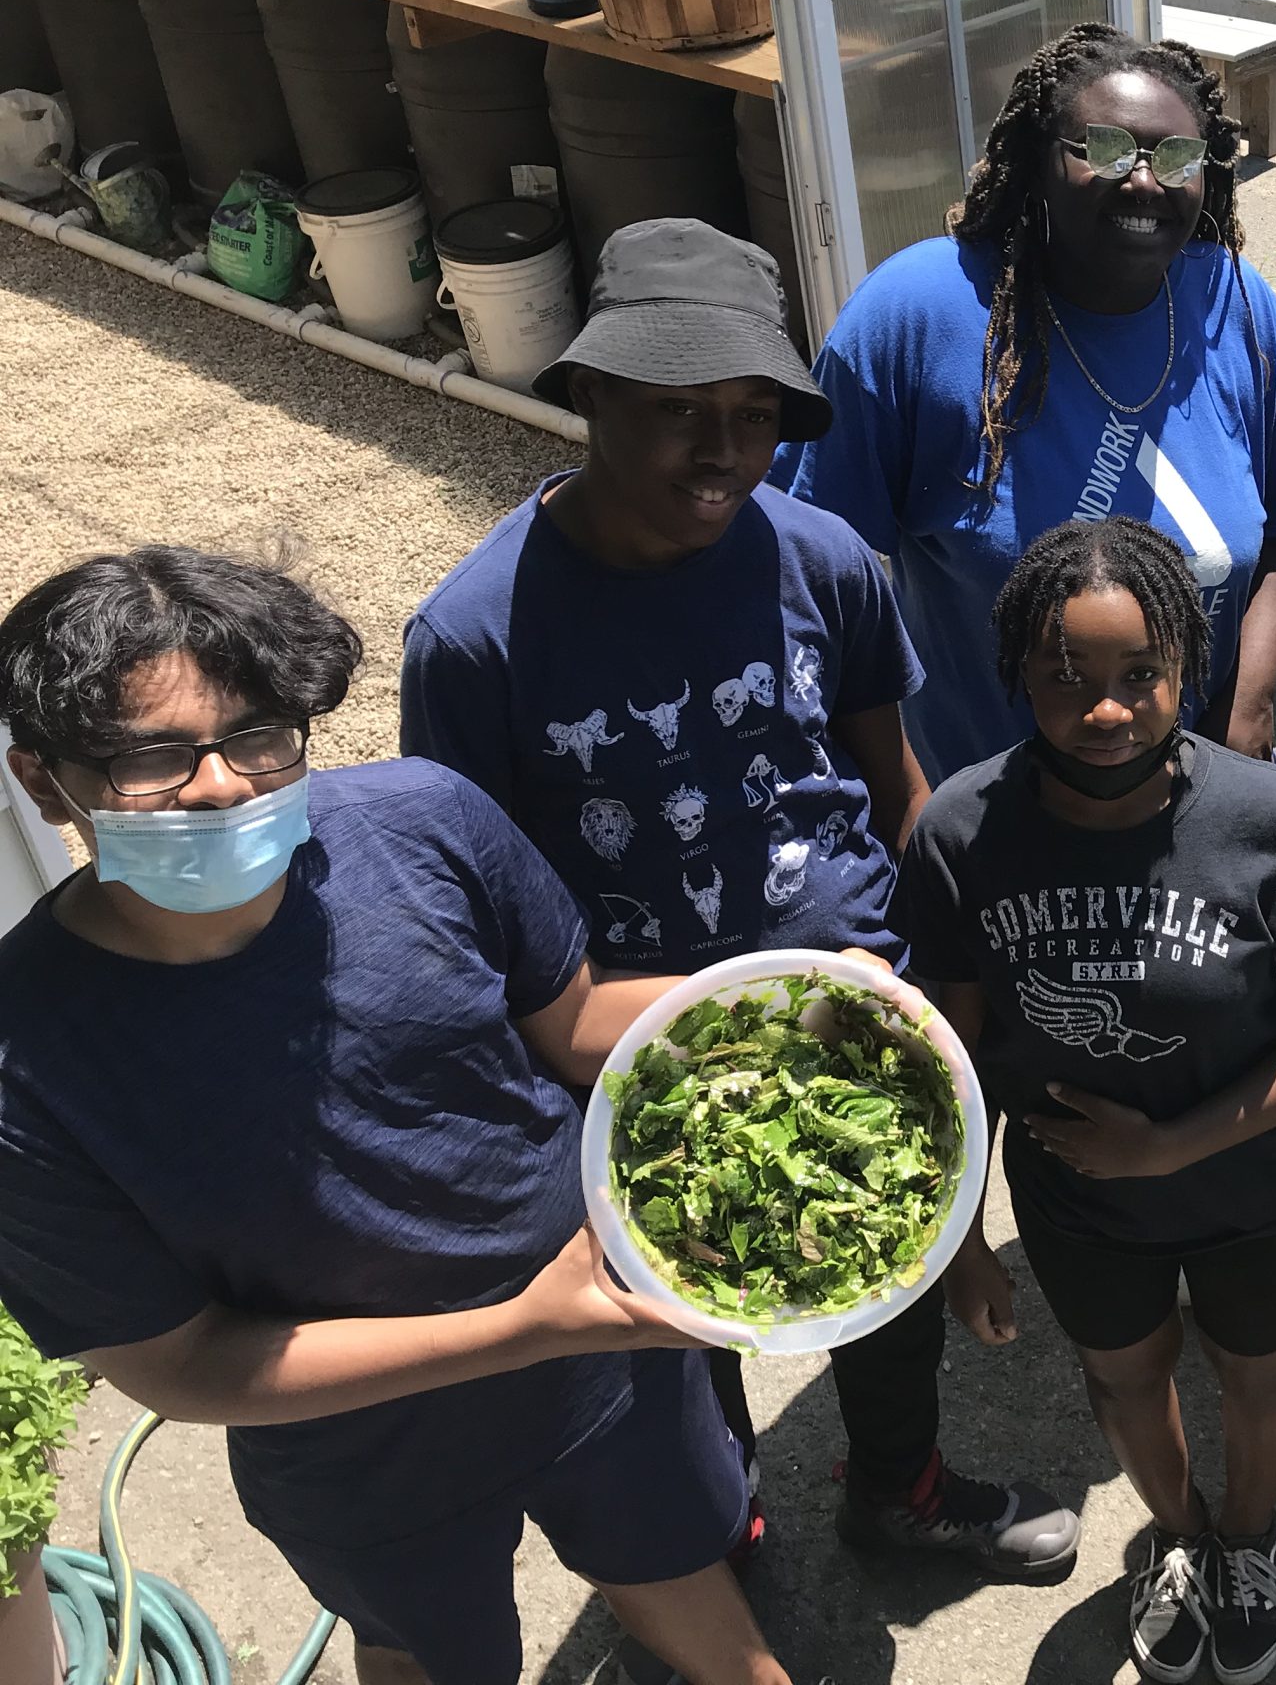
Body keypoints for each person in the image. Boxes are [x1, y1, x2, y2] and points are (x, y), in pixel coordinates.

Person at [397, 219, 1078, 1579]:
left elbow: (892, 781)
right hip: (642, 1050)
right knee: (685, 1301)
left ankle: (900, 1487)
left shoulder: (820, 559)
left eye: (754, 416)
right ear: (590, 394)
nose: (722, 453)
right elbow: (470, 898)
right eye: (678, 412)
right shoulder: (475, 637)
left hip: (860, 1004)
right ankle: (721, 1521)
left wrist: (946, 965)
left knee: (881, 1265)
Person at [0, 547, 797, 1685]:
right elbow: (182, 1363)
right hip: (361, 1455)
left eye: (259, 737)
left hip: (610, 1358)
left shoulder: (425, 821)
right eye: (153, 759)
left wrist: (796, 999)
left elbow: (574, 1021)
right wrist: (526, 1326)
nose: (223, 786)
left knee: (675, 1563)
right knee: (424, 1651)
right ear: (43, 783)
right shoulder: (24, 1061)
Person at [892, 518, 1276, 1684]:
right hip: (1079, 1202)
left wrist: (1172, 1144)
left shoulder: (1270, 819)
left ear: (1187, 663)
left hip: (1263, 1187)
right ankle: (1178, 1538)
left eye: (1141, 674)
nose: (1106, 708)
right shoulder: (963, 832)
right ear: (1017, 673)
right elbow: (952, 1057)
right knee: (1125, 1373)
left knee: (1257, 1367)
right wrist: (959, 1240)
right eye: (1065, 676)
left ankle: (1249, 1539)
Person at [773, 24, 1276, 784]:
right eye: (1105, 149)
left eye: (1178, 157)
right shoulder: (919, 316)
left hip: (1196, 795)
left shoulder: (1230, 303)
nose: (1145, 182)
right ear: (1041, 159)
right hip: (985, 811)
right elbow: (810, 568)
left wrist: (1250, 707)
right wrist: (898, 795)